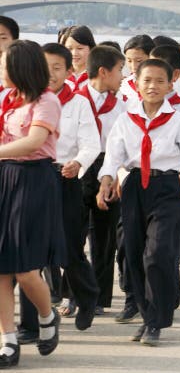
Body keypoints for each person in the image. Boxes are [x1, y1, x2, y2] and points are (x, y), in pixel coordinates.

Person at [96, 59, 180, 346]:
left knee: (157, 253)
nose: (153, 86)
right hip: (134, 186)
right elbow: (113, 155)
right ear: (136, 84)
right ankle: (147, 316)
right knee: (134, 254)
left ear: (170, 85)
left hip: (167, 188)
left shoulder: (178, 120)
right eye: (147, 80)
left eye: (160, 81)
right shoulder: (126, 119)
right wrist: (105, 182)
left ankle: (155, 321)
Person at [0, 40, 65, 367]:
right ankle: (8, 341)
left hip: (34, 180)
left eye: (4, 65)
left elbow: (34, 142)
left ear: (20, 68)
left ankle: (46, 315)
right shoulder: (6, 99)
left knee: (25, 268)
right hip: (5, 177)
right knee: (0, 268)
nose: (1, 71)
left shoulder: (47, 100)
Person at [40, 43, 101, 328]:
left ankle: (87, 297)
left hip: (65, 179)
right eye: (45, 67)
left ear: (68, 71)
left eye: (57, 68)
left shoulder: (79, 103)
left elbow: (91, 143)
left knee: (70, 248)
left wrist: (78, 162)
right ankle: (32, 320)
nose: (51, 74)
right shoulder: (28, 100)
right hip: (32, 179)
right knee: (30, 250)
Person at [76, 46, 127, 316]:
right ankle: (74, 292)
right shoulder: (75, 99)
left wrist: (117, 175)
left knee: (104, 237)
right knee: (73, 234)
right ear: (103, 72)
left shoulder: (121, 106)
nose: (123, 76)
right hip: (77, 166)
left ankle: (98, 296)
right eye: (119, 70)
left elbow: (123, 146)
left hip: (107, 165)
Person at [120, 35, 155, 102]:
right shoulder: (124, 85)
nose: (134, 66)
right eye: (129, 61)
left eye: (139, 61)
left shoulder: (162, 84)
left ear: (151, 58)